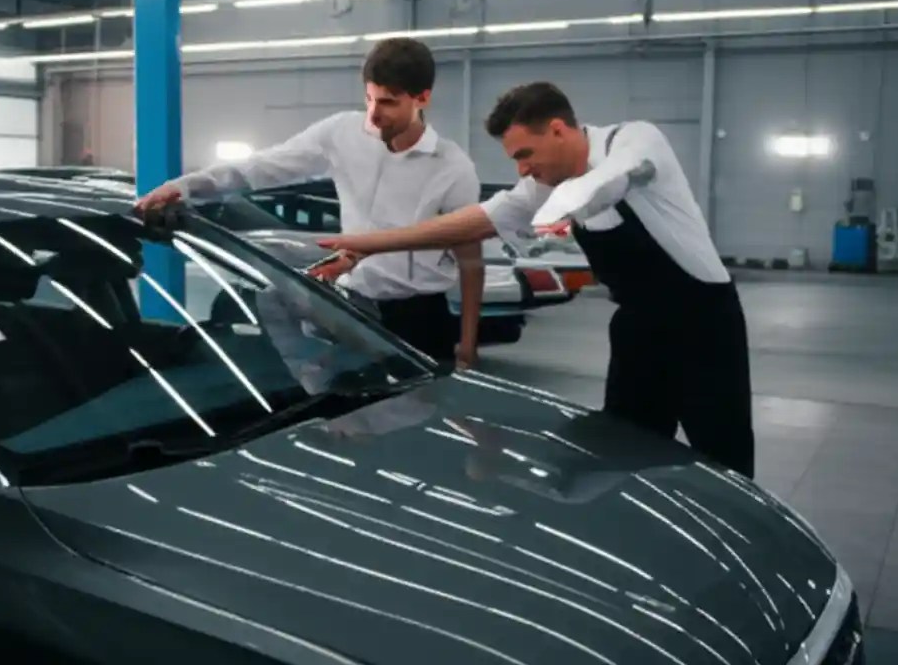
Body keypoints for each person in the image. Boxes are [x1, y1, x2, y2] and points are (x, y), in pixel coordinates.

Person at [314, 81, 755, 478]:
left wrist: (555, 210)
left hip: (705, 325)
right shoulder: (547, 183)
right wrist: (369, 244)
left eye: (525, 155)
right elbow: (473, 221)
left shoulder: (634, 141)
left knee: (724, 456)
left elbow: (612, 180)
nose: (522, 170)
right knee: (622, 451)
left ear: (559, 130)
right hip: (638, 327)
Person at [134, 37, 484, 369]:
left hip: (419, 320)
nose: (374, 115)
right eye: (369, 99)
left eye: (389, 102)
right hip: (352, 307)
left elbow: (471, 263)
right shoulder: (342, 134)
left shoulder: (452, 168)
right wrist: (184, 187)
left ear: (422, 99)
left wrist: (468, 344)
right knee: (346, 416)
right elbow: (262, 166)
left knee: (418, 419)